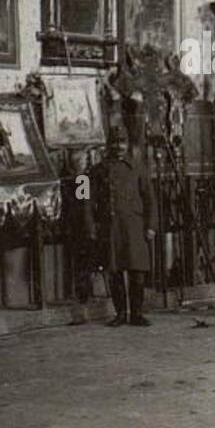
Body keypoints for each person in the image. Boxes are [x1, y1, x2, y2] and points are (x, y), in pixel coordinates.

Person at [89, 126, 156, 326]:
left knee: (137, 273)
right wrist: (90, 226)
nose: (118, 146)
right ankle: (120, 314)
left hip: (134, 227)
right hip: (110, 228)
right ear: (108, 145)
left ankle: (136, 313)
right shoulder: (95, 171)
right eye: (115, 142)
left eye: (122, 142)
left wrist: (151, 225)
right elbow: (84, 199)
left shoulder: (138, 168)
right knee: (114, 272)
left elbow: (150, 199)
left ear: (127, 145)